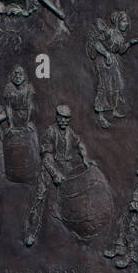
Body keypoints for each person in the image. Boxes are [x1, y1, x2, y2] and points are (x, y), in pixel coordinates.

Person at [25, 103, 90, 245]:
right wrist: (55, 174)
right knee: (40, 198)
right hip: (49, 169)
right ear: (57, 117)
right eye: (61, 118)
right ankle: (32, 232)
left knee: (74, 196)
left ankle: (78, 231)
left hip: (66, 166)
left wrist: (85, 158)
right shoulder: (50, 132)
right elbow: (46, 157)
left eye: (66, 118)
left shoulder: (70, 132)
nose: (63, 121)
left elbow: (80, 145)